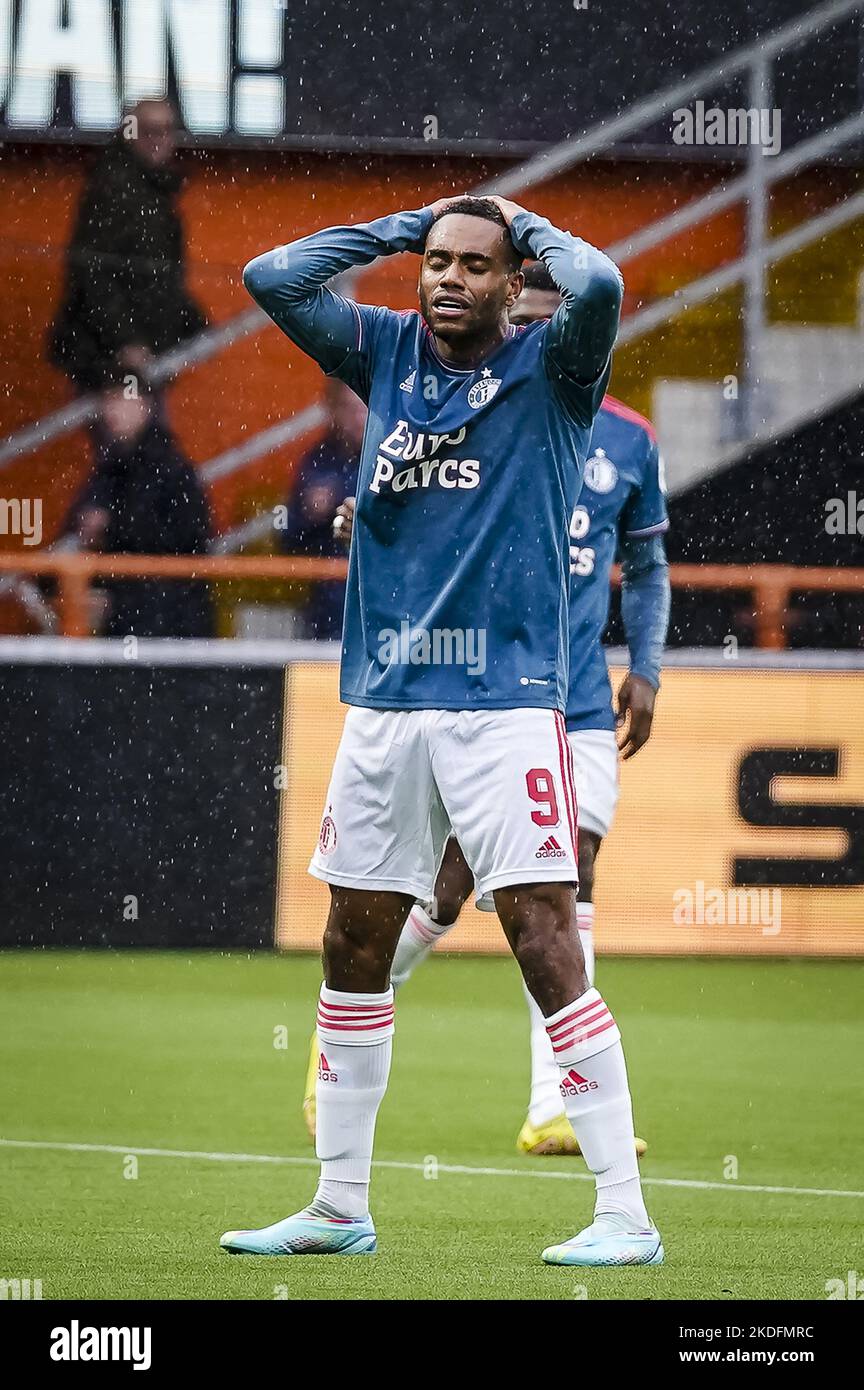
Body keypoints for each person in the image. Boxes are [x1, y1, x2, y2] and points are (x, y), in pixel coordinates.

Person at [224, 195, 663, 1267]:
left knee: (545, 937)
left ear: (515, 286)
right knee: (353, 939)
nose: (448, 279)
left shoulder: (557, 370)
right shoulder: (381, 348)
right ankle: (339, 1204)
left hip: (506, 707)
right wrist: (399, 225)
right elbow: (271, 276)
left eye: (476, 265)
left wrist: (524, 218)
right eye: (436, 263)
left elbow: (599, 283)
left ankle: (624, 1212)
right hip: (384, 704)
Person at [316, 263, 671, 1159]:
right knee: (438, 892)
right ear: (514, 315)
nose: (548, 332)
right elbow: (428, 505)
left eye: (565, 317)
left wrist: (650, 668)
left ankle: (555, 1106)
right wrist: (379, 520)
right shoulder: (486, 407)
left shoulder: (629, 440)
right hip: (476, 693)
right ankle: (344, 1029)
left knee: (564, 888)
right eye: (534, 314)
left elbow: (652, 564)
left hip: (576, 701)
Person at [49, 99, 207, 394]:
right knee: (136, 435)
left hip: (139, 349)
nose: (158, 140)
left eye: (166, 130)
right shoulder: (116, 190)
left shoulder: (151, 191)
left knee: (144, 434)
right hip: (114, 358)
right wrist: (126, 341)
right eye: (147, 130)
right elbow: (94, 272)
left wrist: (192, 323)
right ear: (128, 133)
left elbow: (158, 278)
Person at [64, 372, 214, 638]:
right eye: (107, 401)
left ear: (145, 405)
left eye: (120, 400)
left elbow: (186, 539)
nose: (111, 411)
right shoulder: (111, 466)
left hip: (167, 622)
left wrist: (108, 529)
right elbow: (76, 525)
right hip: (136, 617)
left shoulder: (171, 469)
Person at [278, 380, 366, 638]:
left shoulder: (397, 457)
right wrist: (309, 513)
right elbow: (284, 529)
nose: (358, 417)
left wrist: (340, 495)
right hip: (328, 608)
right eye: (349, 408)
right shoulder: (316, 460)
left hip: (382, 600)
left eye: (365, 407)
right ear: (332, 410)